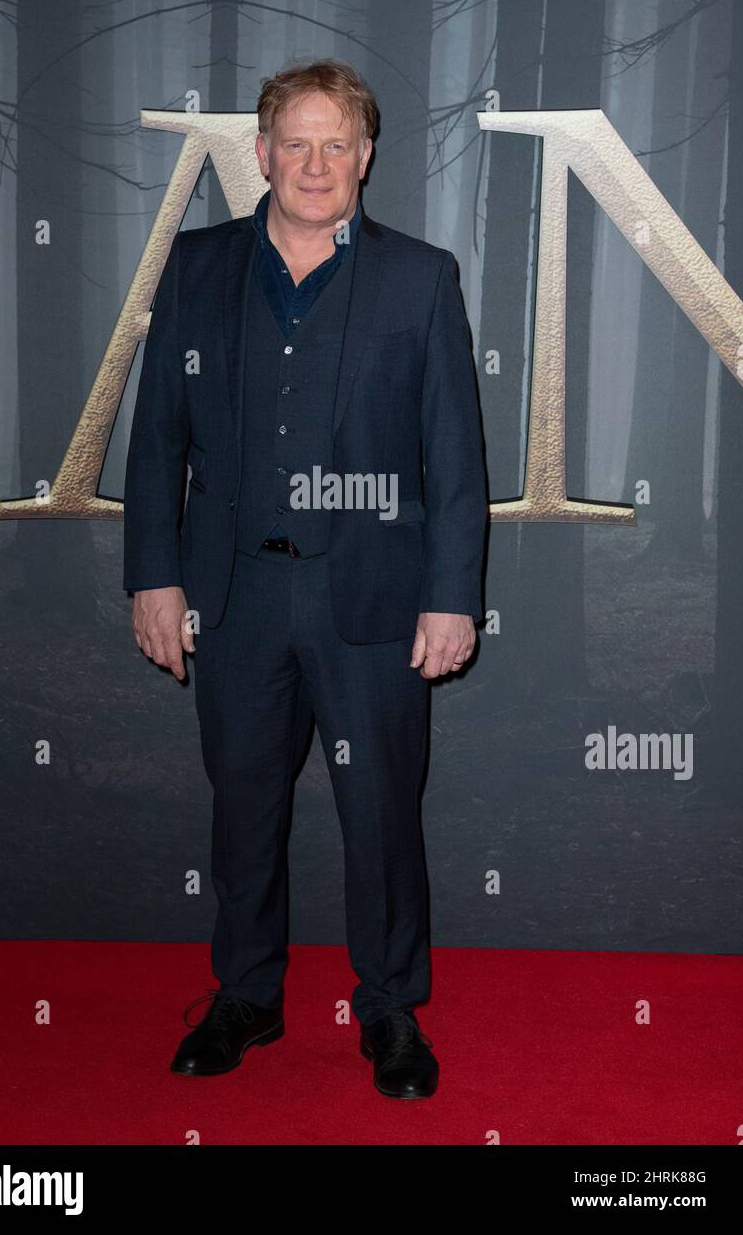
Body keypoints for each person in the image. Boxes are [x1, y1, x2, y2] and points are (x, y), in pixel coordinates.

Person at [123, 58, 488, 1099]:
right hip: (231, 596)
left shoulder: (420, 278)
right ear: (262, 153)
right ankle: (245, 994)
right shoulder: (194, 270)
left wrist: (451, 594)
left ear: (365, 158)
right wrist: (153, 577)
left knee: (379, 814)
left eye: (337, 143)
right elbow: (155, 443)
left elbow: (453, 459)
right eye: (296, 141)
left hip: (369, 602)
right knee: (242, 807)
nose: (316, 163)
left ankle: (388, 1010)